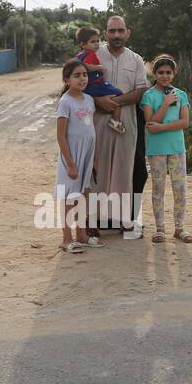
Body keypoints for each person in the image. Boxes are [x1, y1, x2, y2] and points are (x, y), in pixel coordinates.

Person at [88, 15, 149, 239]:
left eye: (120, 31)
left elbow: (141, 89)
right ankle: (92, 222)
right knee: (97, 172)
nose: (116, 35)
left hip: (125, 123)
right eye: (112, 31)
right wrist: (98, 101)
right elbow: (79, 83)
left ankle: (124, 221)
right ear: (106, 33)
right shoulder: (94, 56)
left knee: (124, 172)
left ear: (127, 33)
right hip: (96, 123)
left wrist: (114, 102)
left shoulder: (136, 60)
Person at [140, 54, 192, 244]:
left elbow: (184, 122)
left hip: (177, 148)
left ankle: (180, 228)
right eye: (161, 72)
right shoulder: (149, 96)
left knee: (180, 188)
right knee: (158, 189)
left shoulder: (181, 95)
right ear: (154, 73)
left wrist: (161, 127)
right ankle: (160, 228)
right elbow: (150, 121)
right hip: (156, 150)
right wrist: (165, 103)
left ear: (174, 73)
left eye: (168, 72)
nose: (165, 76)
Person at [56, 59, 101, 252]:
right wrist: (71, 164)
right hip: (72, 157)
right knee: (69, 197)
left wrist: (95, 159)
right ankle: (66, 238)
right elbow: (61, 136)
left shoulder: (89, 100)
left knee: (83, 195)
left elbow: (90, 130)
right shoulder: (65, 102)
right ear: (66, 79)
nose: (82, 79)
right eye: (77, 75)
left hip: (87, 156)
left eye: (84, 75)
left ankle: (81, 234)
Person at [75, 26, 126, 134]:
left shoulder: (79, 56)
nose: (96, 44)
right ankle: (115, 121)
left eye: (97, 41)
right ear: (83, 44)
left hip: (87, 86)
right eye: (93, 42)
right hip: (95, 85)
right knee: (119, 94)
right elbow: (86, 67)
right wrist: (99, 67)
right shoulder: (89, 54)